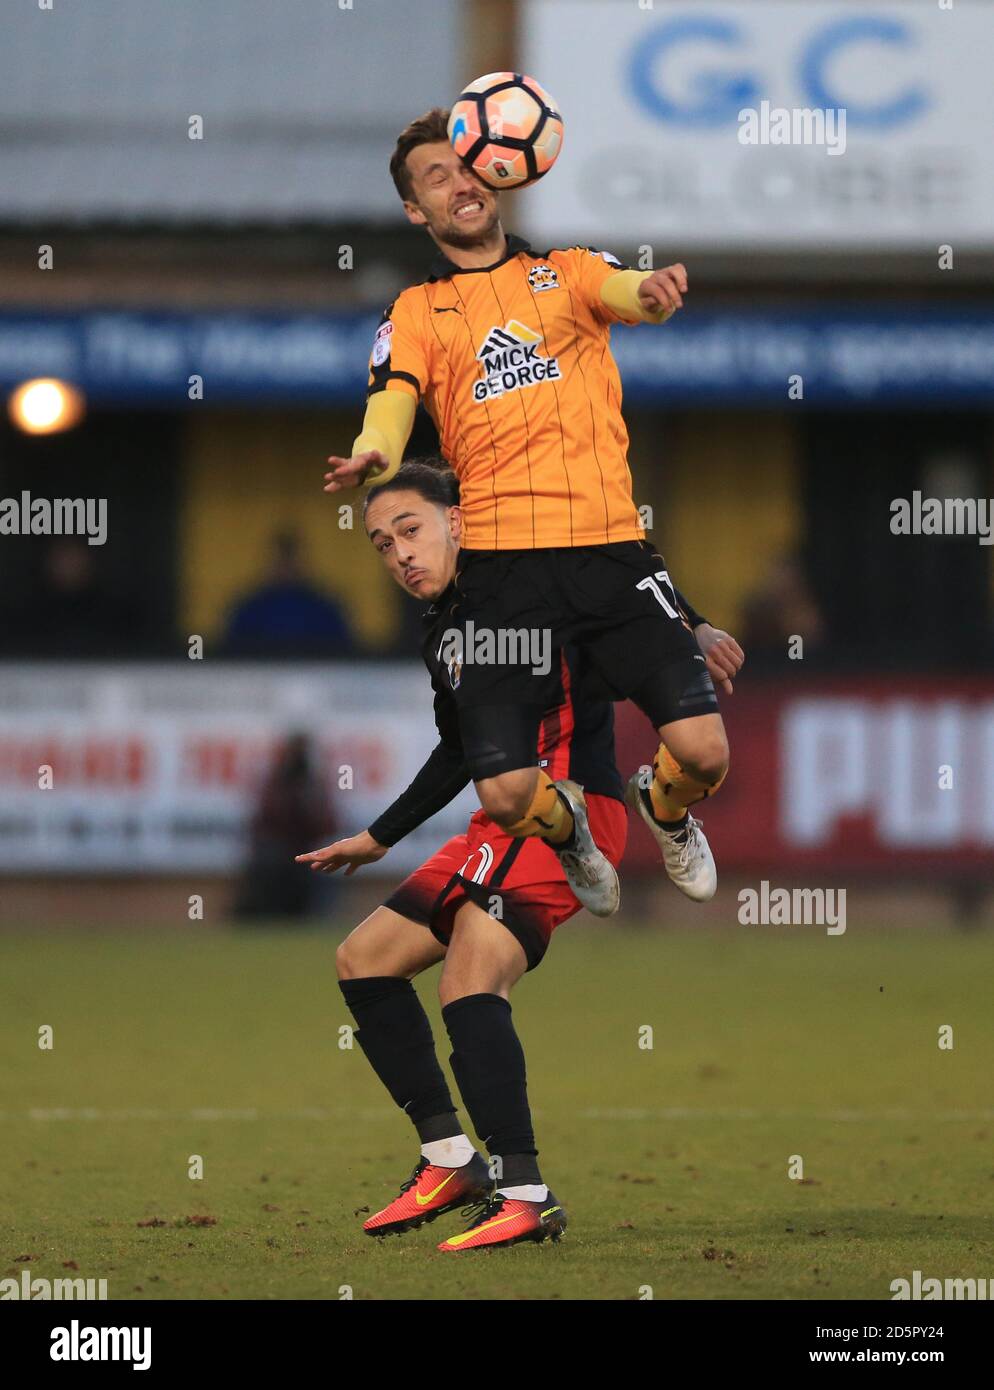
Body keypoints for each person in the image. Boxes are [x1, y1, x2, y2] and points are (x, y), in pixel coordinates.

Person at [296, 458, 741, 1253]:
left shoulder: (532, 578)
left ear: (459, 522)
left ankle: (525, 1191)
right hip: (502, 819)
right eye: (379, 544)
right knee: (364, 960)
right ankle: (448, 1159)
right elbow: (458, 749)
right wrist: (379, 836)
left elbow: (619, 557)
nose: (398, 554)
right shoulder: (444, 631)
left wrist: (692, 624)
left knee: (472, 977)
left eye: (410, 530)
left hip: (572, 804)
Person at [323, 108, 743, 916]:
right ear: (418, 212)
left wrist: (652, 295)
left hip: (610, 553)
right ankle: (570, 832)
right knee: (511, 792)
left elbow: (629, 291)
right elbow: (391, 400)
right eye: (435, 177)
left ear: (502, 171)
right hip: (501, 573)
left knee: (703, 753)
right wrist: (376, 449)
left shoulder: (570, 270)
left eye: (467, 165)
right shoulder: (415, 312)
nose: (459, 182)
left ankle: (663, 804)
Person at [224, 530, 353, 656]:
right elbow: (231, 656)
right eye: (279, 560)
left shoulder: (325, 608)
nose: (285, 567)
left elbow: (344, 655)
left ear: (304, 561)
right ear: (268, 562)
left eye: (291, 560)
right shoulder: (250, 609)